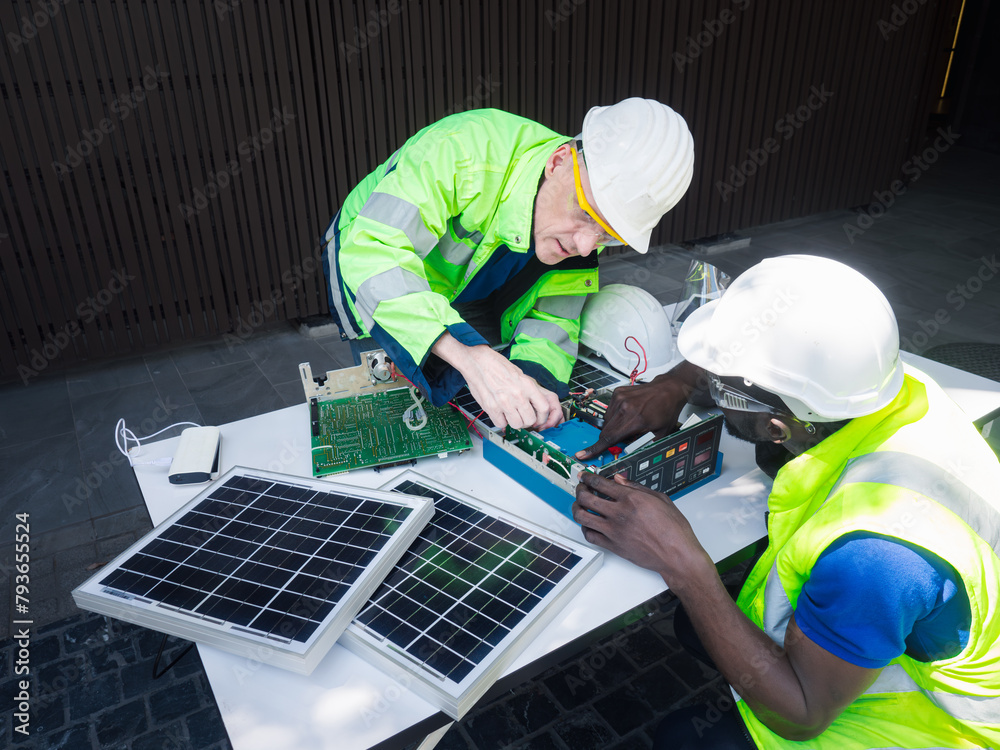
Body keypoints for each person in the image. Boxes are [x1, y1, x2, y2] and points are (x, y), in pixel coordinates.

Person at [572, 255, 1000, 748]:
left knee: (684, 738)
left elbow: (801, 716)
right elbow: (772, 389)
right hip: (891, 636)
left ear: (777, 428)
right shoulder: (886, 393)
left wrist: (684, 564)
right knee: (695, 624)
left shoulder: (874, 558)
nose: (708, 384)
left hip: (927, 724)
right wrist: (674, 384)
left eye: (718, 385)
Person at [322, 99, 694, 430]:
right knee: (394, 387)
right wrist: (470, 356)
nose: (585, 246)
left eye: (608, 235)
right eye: (585, 213)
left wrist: (535, 387)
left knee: (481, 377)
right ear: (559, 161)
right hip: (369, 257)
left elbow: (554, 320)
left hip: (466, 283)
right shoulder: (462, 150)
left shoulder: (576, 222)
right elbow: (373, 253)